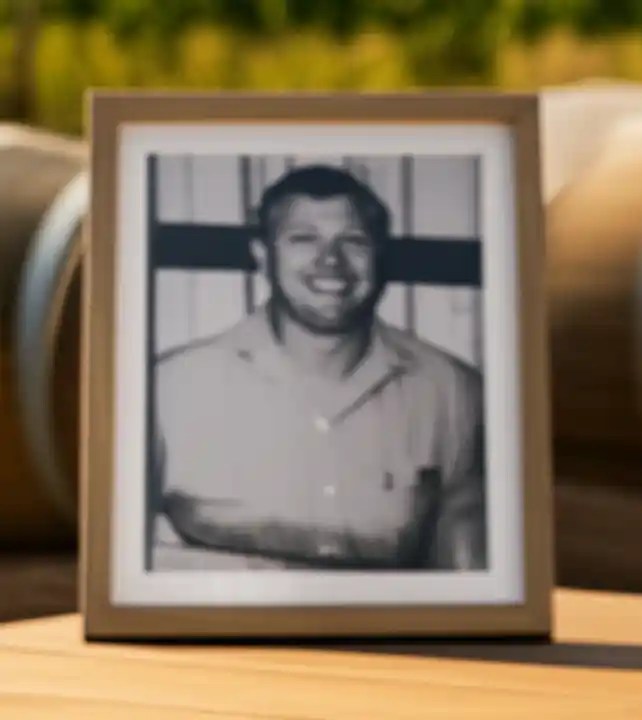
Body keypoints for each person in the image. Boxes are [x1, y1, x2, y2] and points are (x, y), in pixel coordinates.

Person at [150, 165, 485, 571]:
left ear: (379, 255)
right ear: (261, 254)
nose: (330, 260)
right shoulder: (166, 390)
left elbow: (467, 573)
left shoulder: (453, 392)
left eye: (353, 241)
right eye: (304, 239)